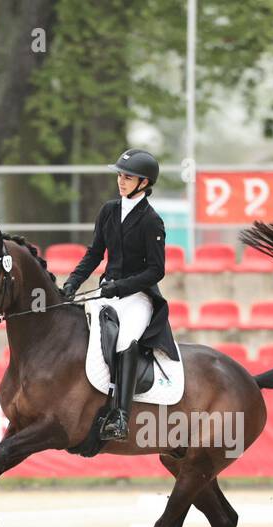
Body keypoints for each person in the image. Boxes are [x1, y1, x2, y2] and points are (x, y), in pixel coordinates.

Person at [62, 148, 177, 442]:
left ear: (144, 182)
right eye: (120, 175)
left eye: (128, 177)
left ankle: (120, 415)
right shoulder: (109, 210)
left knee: (126, 341)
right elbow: (95, 253)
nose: (121, 181)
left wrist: (122, 287)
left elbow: (156, 271)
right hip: (107, 290)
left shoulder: (152, 221)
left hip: (137, 296)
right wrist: (73, 282)